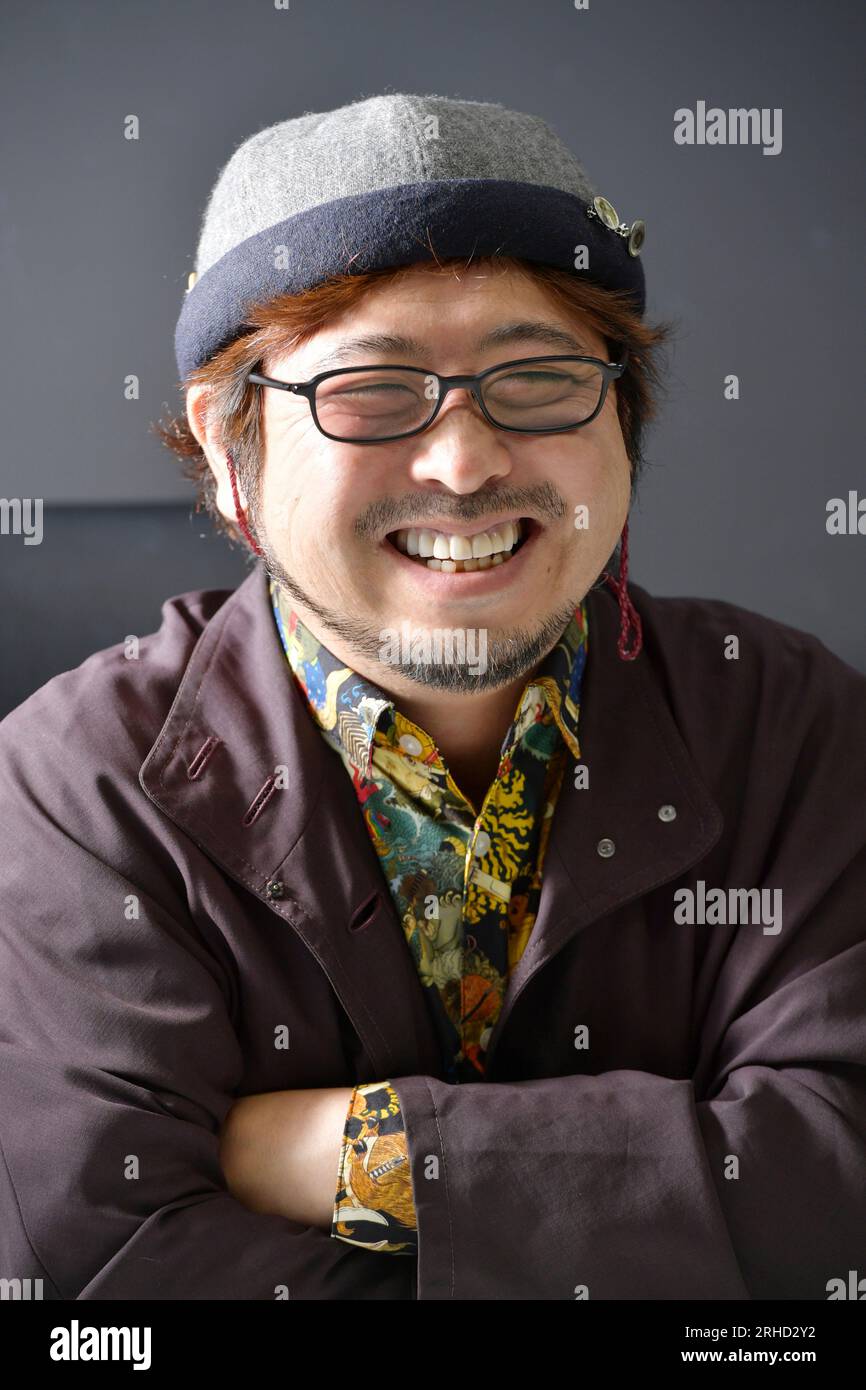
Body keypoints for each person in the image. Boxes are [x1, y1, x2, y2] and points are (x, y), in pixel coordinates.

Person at [0, 93, 864, 1302]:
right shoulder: (71, 786)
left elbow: (837, 1202)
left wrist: (362, 1155)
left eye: (539, 374)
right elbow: (106, 1270)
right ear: (227, 448)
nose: (464, 460)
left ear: (621, 411)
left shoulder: (794, 725)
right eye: (369, 387)